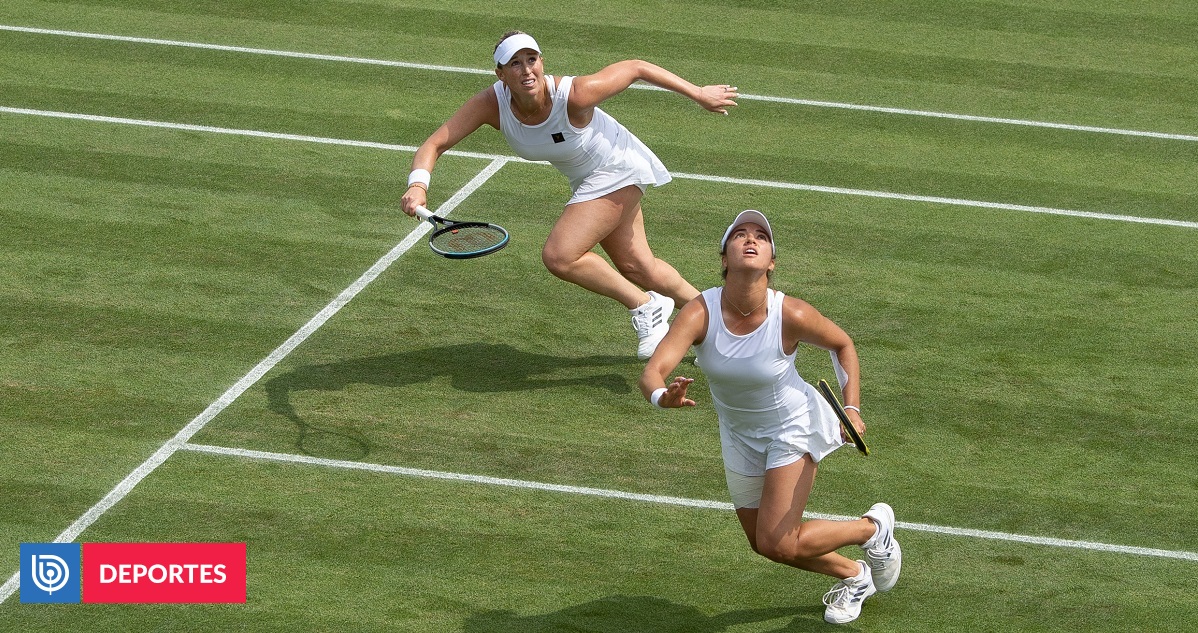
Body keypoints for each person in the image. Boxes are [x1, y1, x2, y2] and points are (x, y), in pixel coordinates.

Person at [401, 31, 739, 359]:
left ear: (541, 62)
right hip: (586, 179)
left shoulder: (575, 94)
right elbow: (435, 143)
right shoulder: (491, 104)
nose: (526, 70)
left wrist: (698, 93)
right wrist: (418, 184)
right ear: (500, 73)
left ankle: (647, 306)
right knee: (639, 267)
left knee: (560, 256)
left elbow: (636, 67)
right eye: (514, 64)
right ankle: (719, 329)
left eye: (531, 59)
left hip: (617, 167)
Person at [639, 210, 902, 625]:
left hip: (792, 427)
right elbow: (653, 371)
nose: (750, 239)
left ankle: (872, 529)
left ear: (771, 261)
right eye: (739, 234)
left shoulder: (789, 314)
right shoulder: (699, 311)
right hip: (739, 435)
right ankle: (855, 576)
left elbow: (842, 345)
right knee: (763, 544)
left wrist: (851, 408)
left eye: (761, 236)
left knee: (779, 540)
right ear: (724, 258)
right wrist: (660, 397)